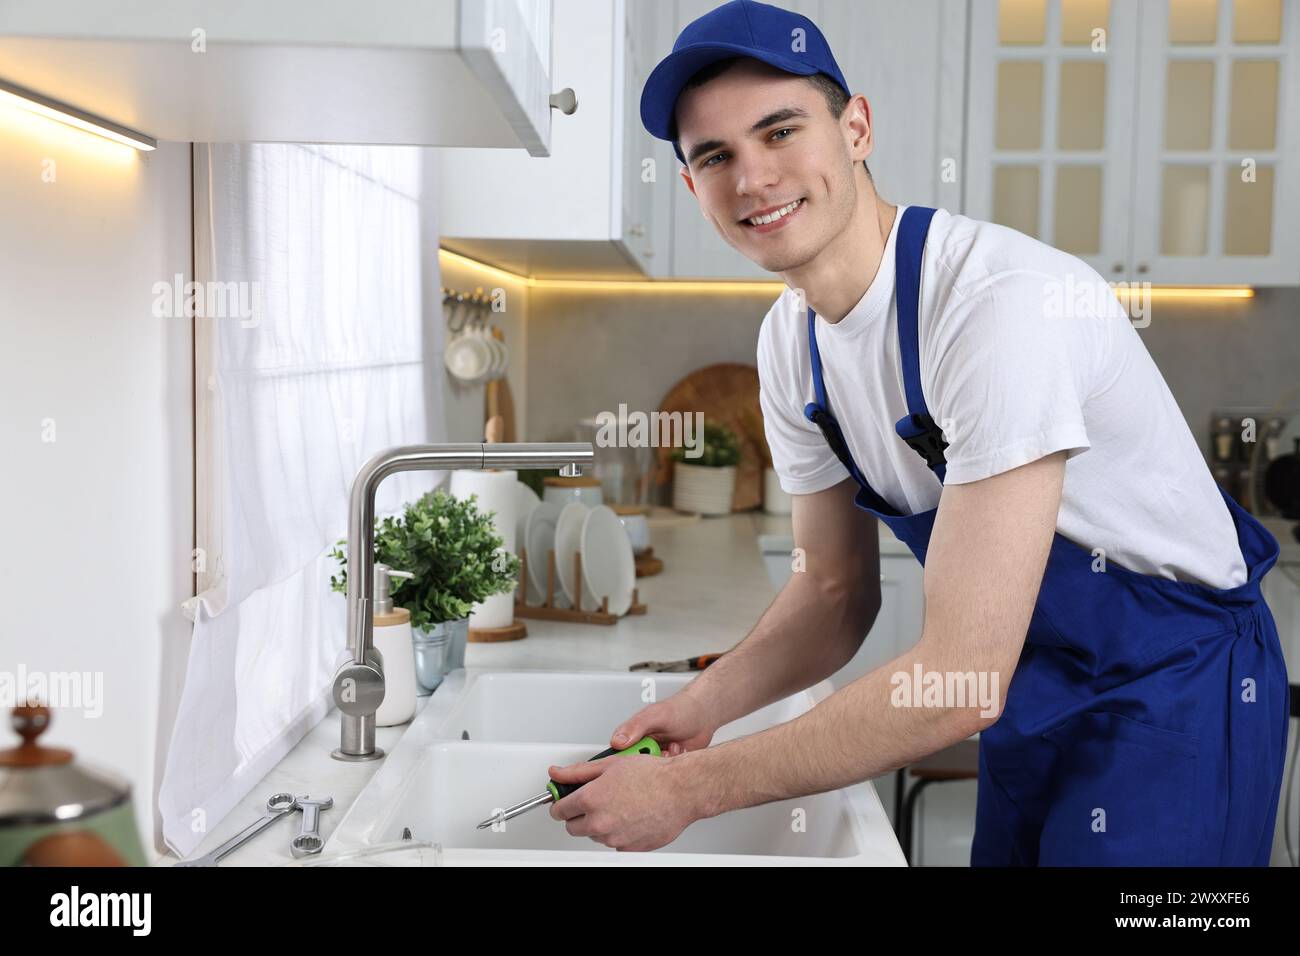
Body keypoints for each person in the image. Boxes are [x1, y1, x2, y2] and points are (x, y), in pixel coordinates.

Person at [545, 0, 1290, 865]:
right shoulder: (791, 344)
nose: (751, 178)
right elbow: (833, 591)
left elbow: (963, 675)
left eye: (780, 130)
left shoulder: (995, 306)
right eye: (715, 156)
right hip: (1026, 688)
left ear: (855, 127)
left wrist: (689, 792)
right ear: (690, 187)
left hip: (1177, 689)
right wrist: (705, 704)